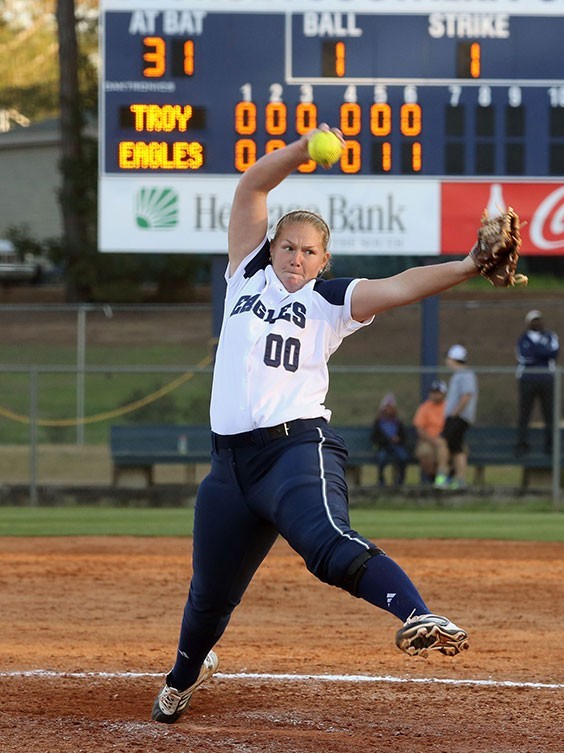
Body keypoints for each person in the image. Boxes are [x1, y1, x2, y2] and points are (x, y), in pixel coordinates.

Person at [150, 124, 496, 724]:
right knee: (208, 597)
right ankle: (186, 674)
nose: (297, 258)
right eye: (288, 246)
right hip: (228, 468)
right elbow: (254, 183)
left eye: (310, 251)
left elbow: (402, 286)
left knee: (326, 545)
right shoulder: (244, 277)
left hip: (294, 451)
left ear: (323, 260)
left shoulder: (330, 302)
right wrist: (303, 151)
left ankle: (418, 614)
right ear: (271, 247)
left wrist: (468, 265)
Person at [514, 309, 559, 455]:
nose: (537, 322)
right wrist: (542, 353)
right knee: (525, 413)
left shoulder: (550, 336)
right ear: (528, 323)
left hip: (547, 378)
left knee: (549, 413)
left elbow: (553, 353)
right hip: (528, 378)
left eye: (539, 319)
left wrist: (535, 351)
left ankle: (550, 446)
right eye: (534, 320)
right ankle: (522, 444)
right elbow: (523, 357)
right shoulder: (523, 338)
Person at [435, 344, 477, 491]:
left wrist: (454, 413)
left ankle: (441, 476)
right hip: (457, 417)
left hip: (458, 418)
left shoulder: (465, 374)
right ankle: (459, 479)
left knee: (442, 441)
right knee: (457, 448)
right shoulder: (459, 375)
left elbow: (467, 395)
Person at [412, 380, 449, 485]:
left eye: (438, 392)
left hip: (445, 440)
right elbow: (420, 430)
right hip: (427, 440)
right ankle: (435, 477)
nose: (435, 395)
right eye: (433, 392)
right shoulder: (424, 408)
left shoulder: (449, 407)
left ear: (444, 394)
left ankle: (442, 478)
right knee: (425, 453)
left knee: (444, 447)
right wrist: (434, 441)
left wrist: (442, 440)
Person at [370, 392, 410, 486]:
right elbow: (375, 437)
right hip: (384, 446)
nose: (389, 410)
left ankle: (400, 478)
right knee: (382, 458)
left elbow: (404, 436)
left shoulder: (398, 422)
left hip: (396, 446)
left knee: (403, 457)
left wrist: (398, 439)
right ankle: (381, 478)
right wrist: (387, 440)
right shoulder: (379, 423)